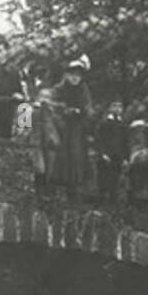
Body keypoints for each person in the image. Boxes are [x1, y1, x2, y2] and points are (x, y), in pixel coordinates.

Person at [53, 55, 94, 202]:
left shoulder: (83, 89)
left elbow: (89, 108)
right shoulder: (59, 89)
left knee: (77, 156)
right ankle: (58, 191)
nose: (75, 78)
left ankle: (75, 190)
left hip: (77, 128)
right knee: (61, 157)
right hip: (61, 127)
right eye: (72, 75)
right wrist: (66, 110)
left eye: (78, 75)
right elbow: (52, 105)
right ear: (66, 75)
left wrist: (83, 112)